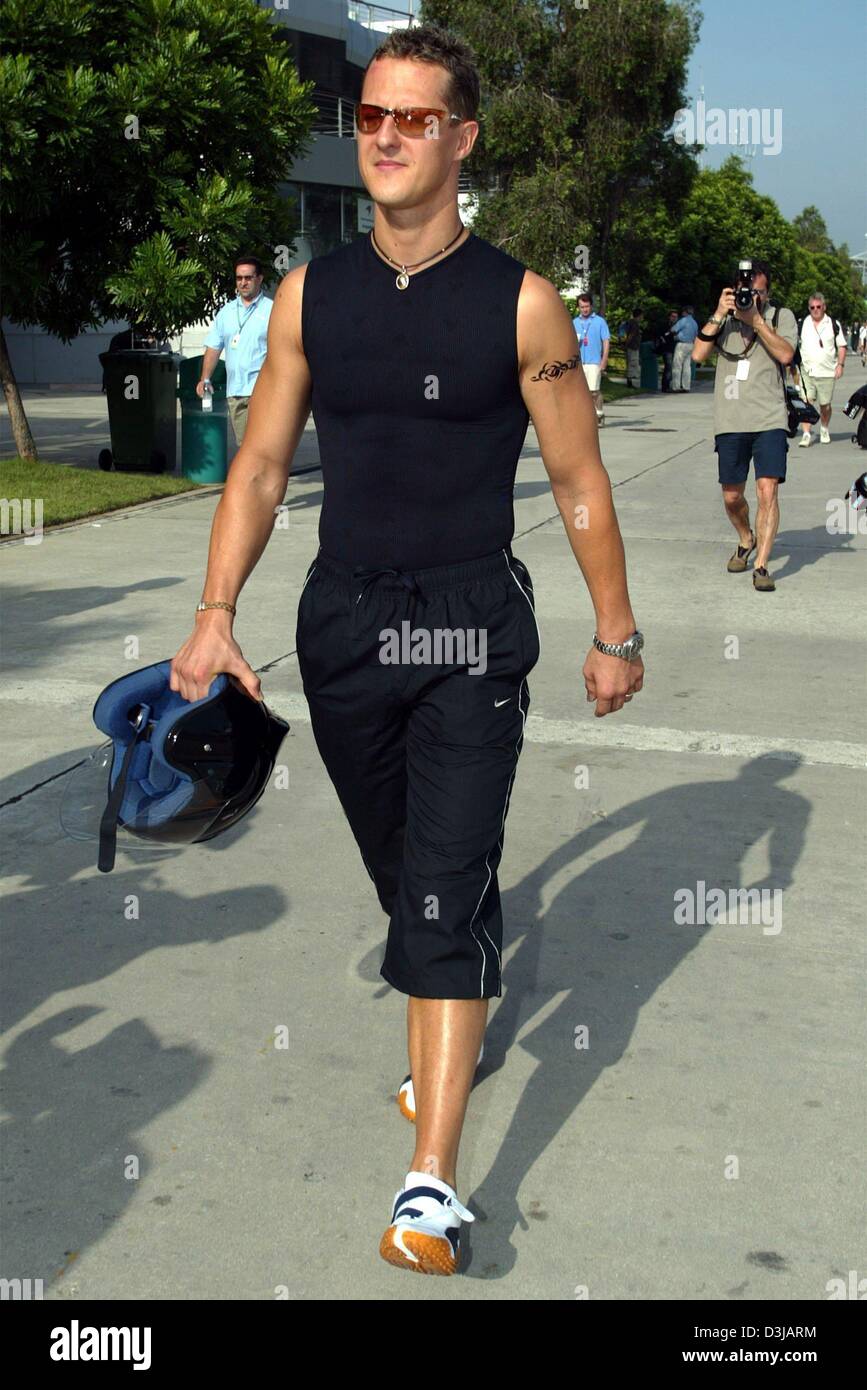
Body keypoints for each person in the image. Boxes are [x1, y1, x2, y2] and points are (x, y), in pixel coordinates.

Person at [168, 23, 644, 1276]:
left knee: (443, 884)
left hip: (471, 626)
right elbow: (263, 463)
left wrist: (615, 630)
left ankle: (433, 1181)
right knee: (406, 874)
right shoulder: (310, 295)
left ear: (461, 138)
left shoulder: (521, 301)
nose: (381, 133)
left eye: (411, 117)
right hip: (344, 625)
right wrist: (218, 608)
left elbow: (581, 476)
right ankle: (457, 982)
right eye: (371, 114)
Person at [691, 258, 797, 592]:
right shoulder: (725, 319)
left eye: (759, 292)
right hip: (731, 419)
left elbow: (785, 355)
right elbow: (697, 355)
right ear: (734, 290)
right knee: (731, 496)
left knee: (768, 490)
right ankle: (745, 537)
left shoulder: (781, 317)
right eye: (747, 292)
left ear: (767, 292)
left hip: (769, 418)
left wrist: (757, 321)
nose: (753, 297)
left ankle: (762, 565)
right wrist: (720, 313)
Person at [198, 255, 273, 445]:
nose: (243, 283)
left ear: (259, 279)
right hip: (236, 391)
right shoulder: (226, 312)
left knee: (262, 446)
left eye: (248, 277)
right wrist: (205, 378)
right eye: (239, 278)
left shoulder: (272, 310)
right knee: (245, 446)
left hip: (263, 391)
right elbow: (214, 347)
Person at [797, 293, 847, 446]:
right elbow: (794, 345)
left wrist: (840, 365)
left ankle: (824, 428)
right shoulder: (803, 323)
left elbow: (842, 346)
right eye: (812, 307)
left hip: (826, 372)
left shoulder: (833, 324)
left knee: (825, 405)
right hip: (807, 370)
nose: (815, 310)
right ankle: (806, 433)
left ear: (824, 307)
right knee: (806, 402)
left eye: (818, 307)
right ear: (809, 308)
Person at [572, 291, 610, 426]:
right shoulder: (574, 322)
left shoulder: (599, 322)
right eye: (582, 307)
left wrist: (604, 360)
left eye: (587, 306)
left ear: (591, 306)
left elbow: (606, 341)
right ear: (578, 307)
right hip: (579, 362)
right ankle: (585, 417)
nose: (585, 309)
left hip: (594, 361)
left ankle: (599, 413)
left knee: (594, 391)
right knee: (581, 392)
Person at [670, 304, 698, 391]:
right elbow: (696, 335)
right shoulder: (694, 323)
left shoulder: (683, 320)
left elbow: (673, 329)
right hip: (691, 345)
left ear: (685, 312)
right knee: (687, 367)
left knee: (677, 366)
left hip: (681, 344)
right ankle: (686, 386)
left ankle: (676, 386)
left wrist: (676, 335)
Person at [656, 309, 678, 392]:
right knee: (668, 367)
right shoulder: (665, 325)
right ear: (669, 317)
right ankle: (665, 386)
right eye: (673, 316)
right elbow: (659, 334)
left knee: (671, 367)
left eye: (676, 317)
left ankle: (668, 385)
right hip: (666, 348)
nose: (674, 318)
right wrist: (662, 338)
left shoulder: (677, 326)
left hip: (674, 348)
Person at [624, 308, 642, 388]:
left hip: (632, 346)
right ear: (639, 315)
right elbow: (631, 334)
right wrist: (627, 343)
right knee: (632, 363)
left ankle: (629, 380)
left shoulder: (630, 322)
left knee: (630, 363)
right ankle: (629, 381)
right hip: (633, 346)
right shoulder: (634, 323)